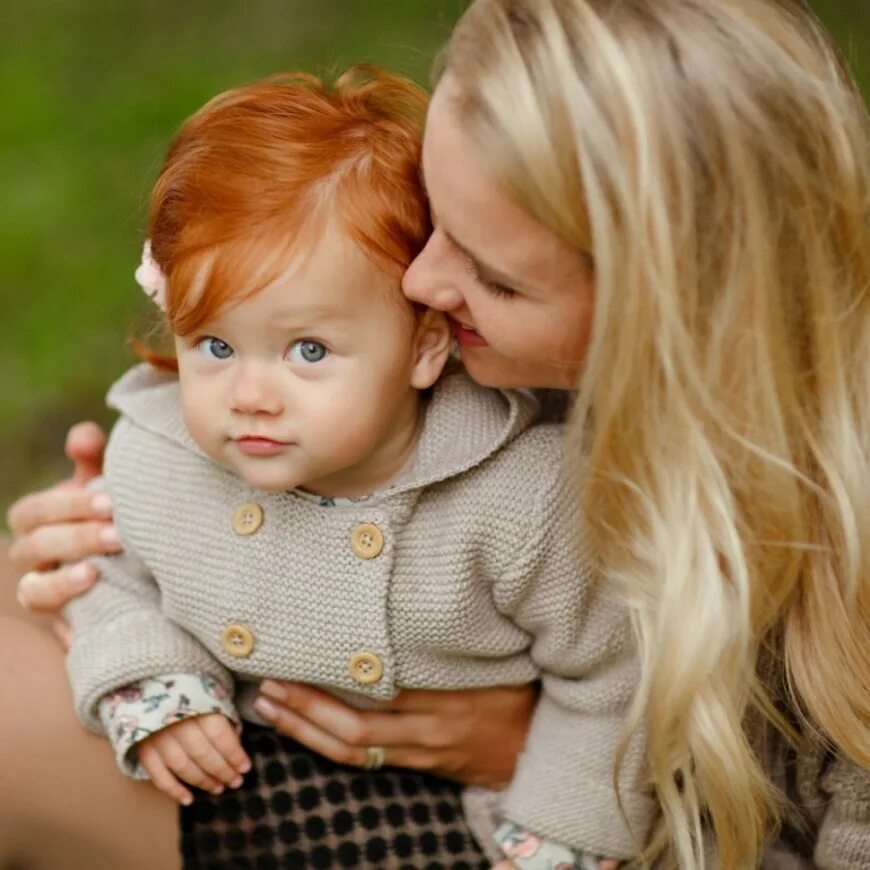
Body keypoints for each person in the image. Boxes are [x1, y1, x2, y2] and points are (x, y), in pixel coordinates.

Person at [5, 0, 869, 867]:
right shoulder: (428, 346)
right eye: (435, 217)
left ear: (678, 304)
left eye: (494, 276)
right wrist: (99, 554)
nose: (420, 278)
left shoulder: (815, 549)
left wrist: (532, 755)